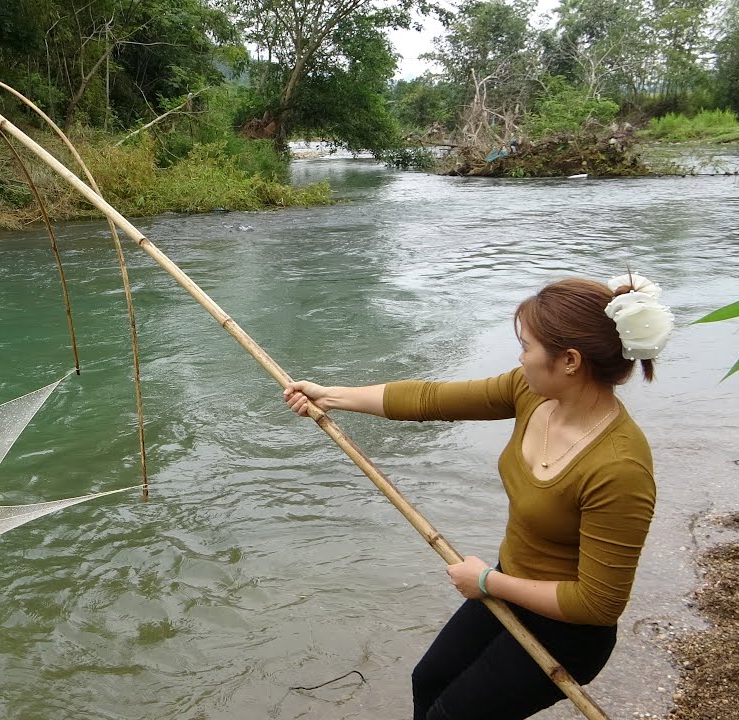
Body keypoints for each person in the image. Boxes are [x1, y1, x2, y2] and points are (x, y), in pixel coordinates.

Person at [282, 274, 674, 720]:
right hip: (511, 587)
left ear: (569, 360)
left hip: (568, 633)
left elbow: (598, 605)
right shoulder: (531, 393)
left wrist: (487, 582)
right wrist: (330, 397)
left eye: (526, 346)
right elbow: (430, 399)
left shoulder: (619, 468)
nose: (520, 357)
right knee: (427, 680)